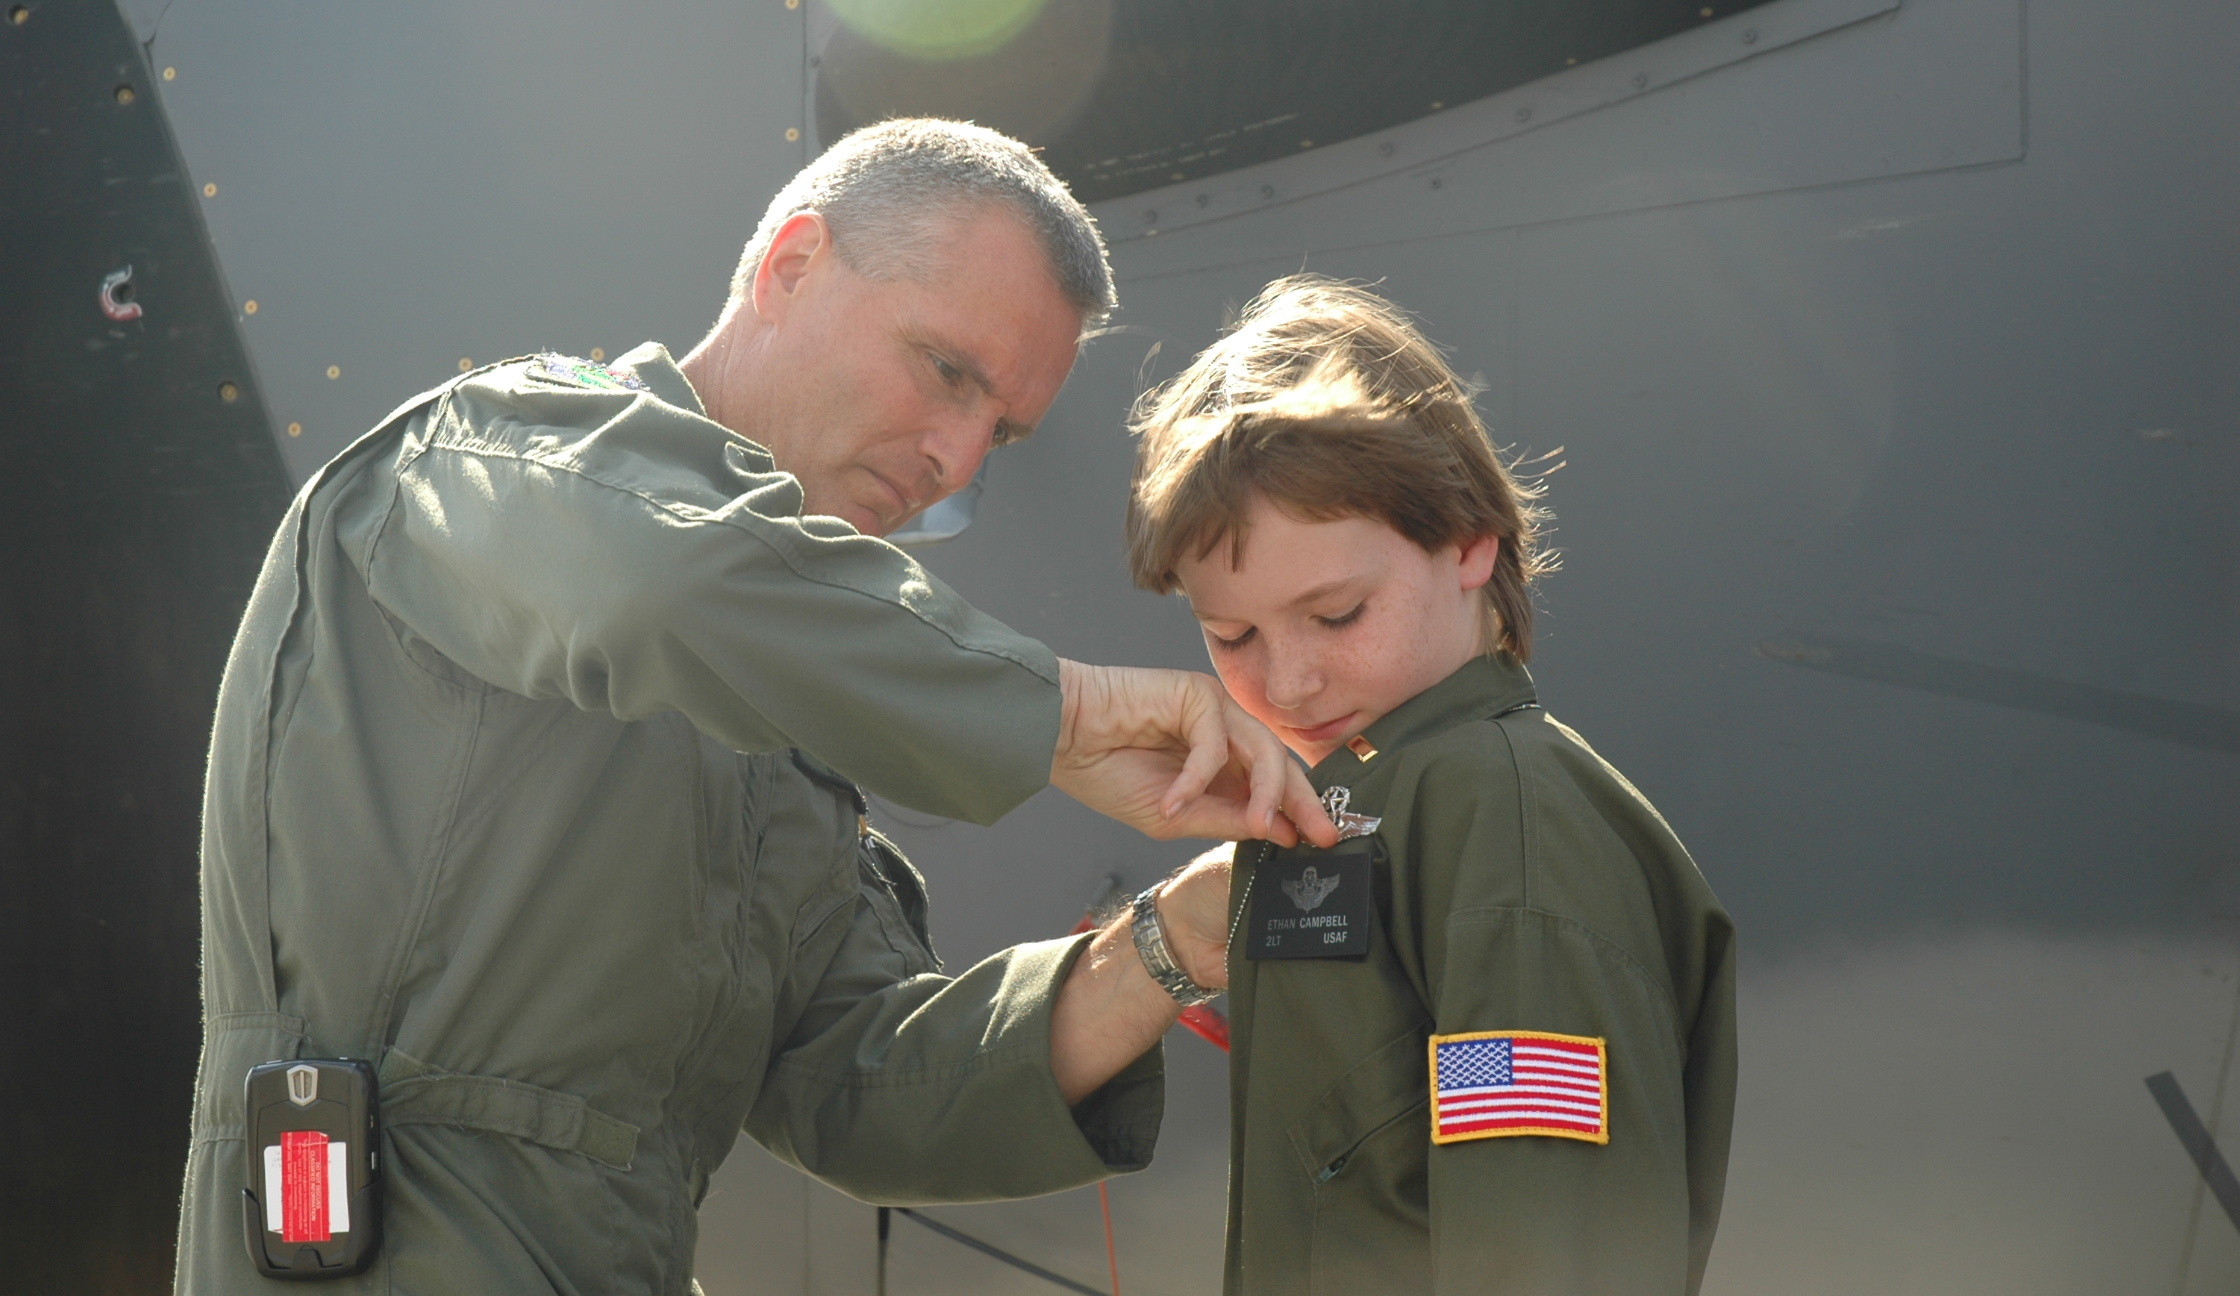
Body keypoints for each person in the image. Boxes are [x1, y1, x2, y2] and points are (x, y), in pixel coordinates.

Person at [174, 119, 1334, 1294]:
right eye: (945, 372)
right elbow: (654, 578)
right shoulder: (490, 447)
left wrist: (1170, 943)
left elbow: (863, 1086)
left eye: (1001, 431)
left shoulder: (780, 700)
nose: (956, 459)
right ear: (790, 265)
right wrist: (1067, 714)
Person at [1126, 278, 1738, 1295]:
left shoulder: (1503, 818)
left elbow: (1542, 1242)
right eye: (1230, 636)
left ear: (1467, 542)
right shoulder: (1374, 810)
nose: (1286, 680)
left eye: (1336, 614)